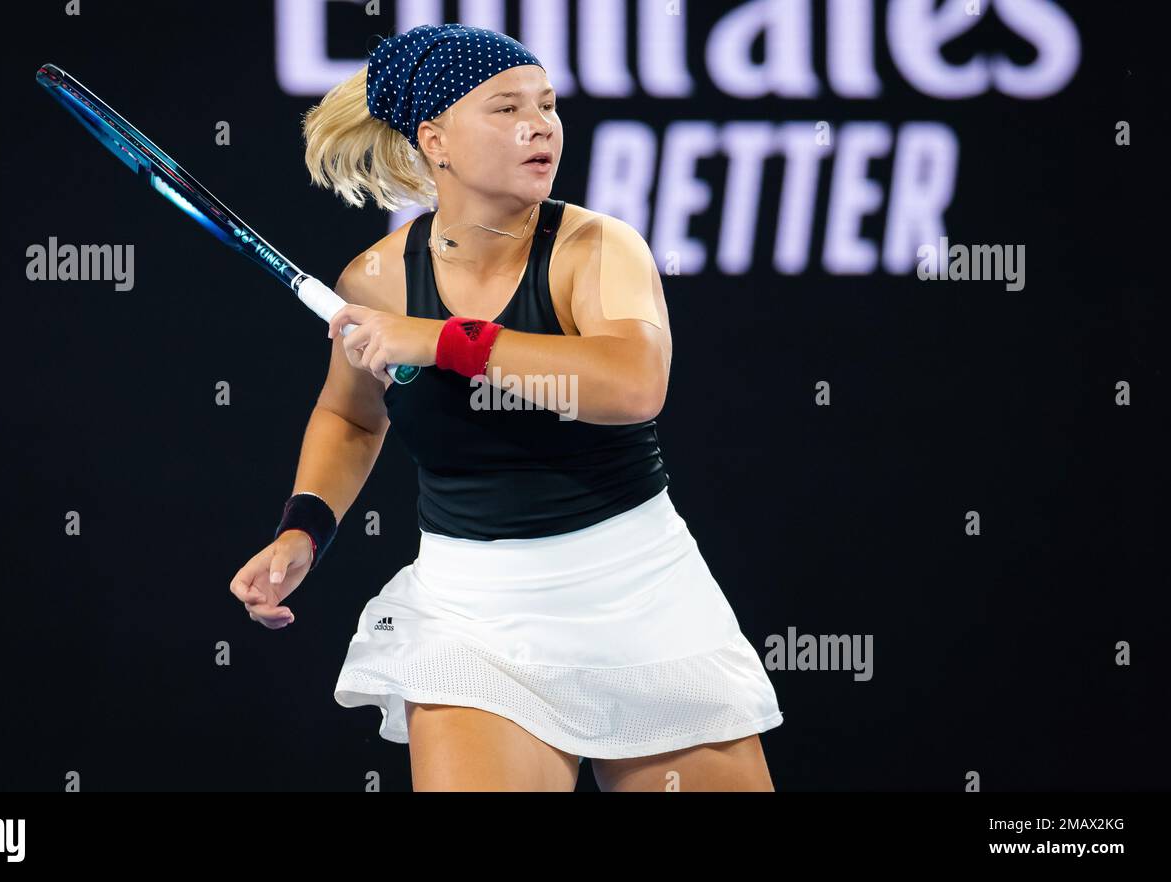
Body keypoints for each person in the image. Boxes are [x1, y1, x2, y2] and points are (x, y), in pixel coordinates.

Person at [229, 23, 783, 792]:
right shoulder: (378, 279)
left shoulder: (598, 247)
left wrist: (444, 341)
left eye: (548, 105)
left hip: (643, 593)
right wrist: (303, 529)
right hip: (473, 614)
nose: (540, 125)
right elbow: (351, 417)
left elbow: (632, 386)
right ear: (437, 140)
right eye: (505, 107)